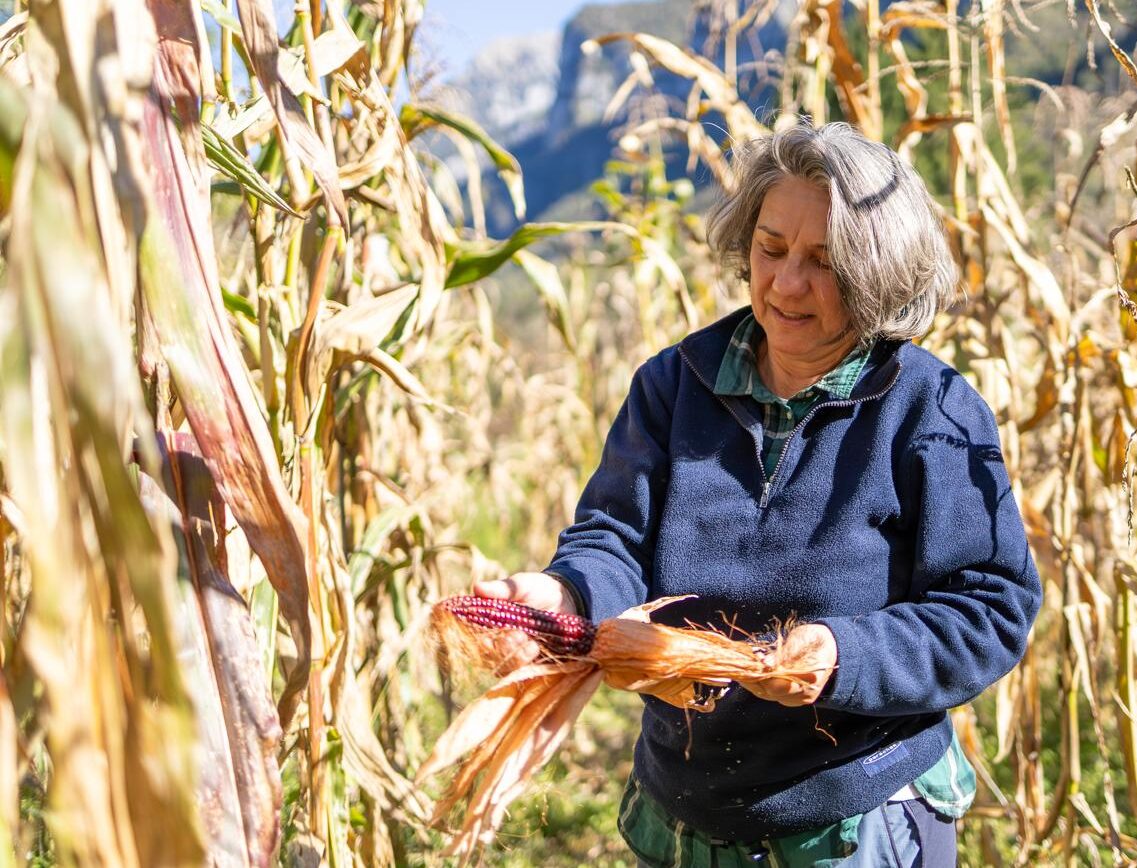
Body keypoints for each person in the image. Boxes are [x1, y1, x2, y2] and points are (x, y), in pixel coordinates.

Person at [473, 121, 1042, 866]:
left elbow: (987, 608)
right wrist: (567, 596)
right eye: (770, 249)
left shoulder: (929, 412)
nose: (785, 283)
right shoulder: (673, 385)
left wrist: (842, 654)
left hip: (855, 818)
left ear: (878, 273)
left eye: (824, 261)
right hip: (682, 809)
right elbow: (614, 537)